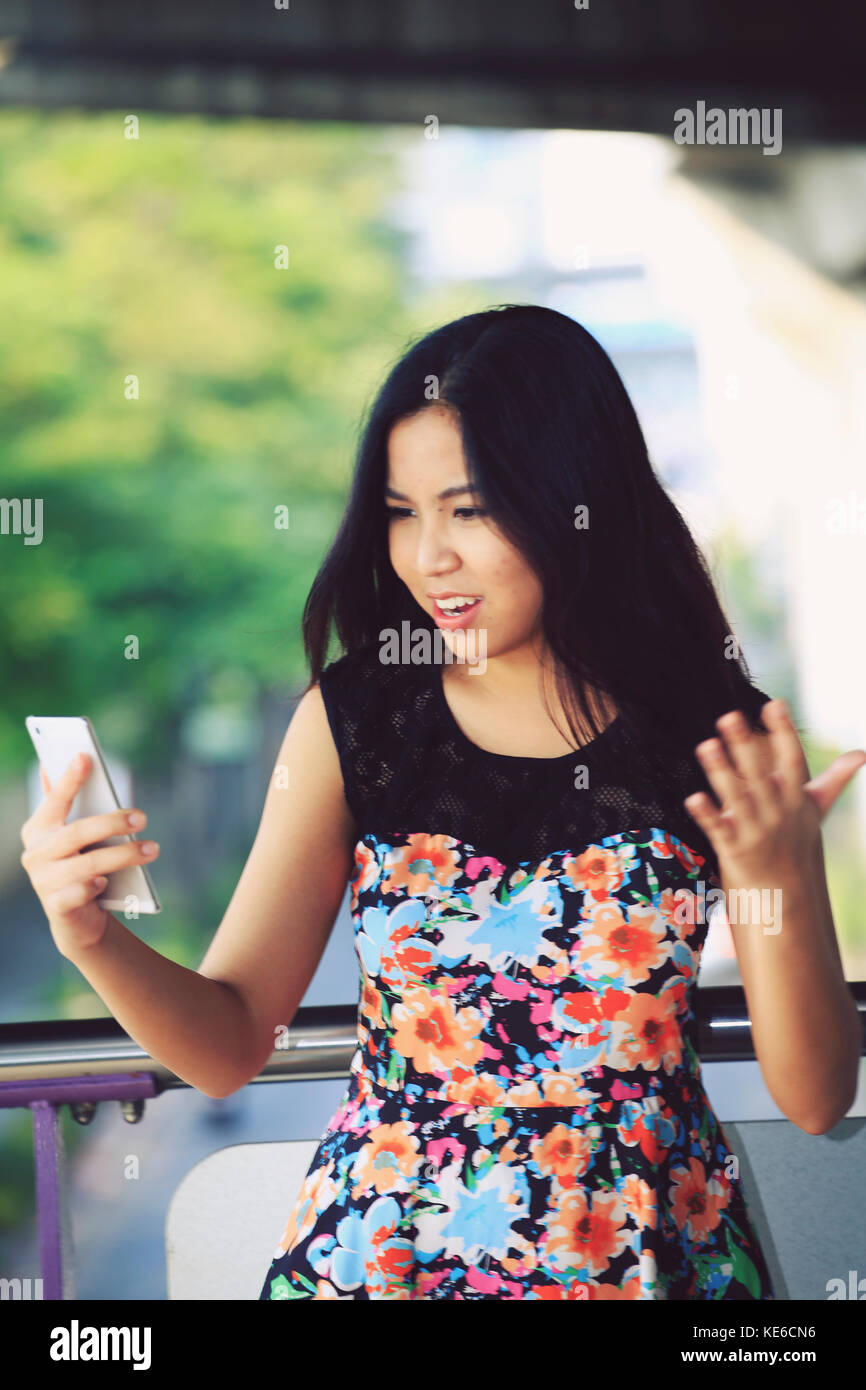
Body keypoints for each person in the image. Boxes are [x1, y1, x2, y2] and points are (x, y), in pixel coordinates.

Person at [20, 305, 863, 1301]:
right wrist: (88, 937)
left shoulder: (710, 730)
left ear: (571, 497)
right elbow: (228, 1039)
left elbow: (812, 1098)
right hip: (383, 1263)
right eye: (399, 510)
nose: (427, 557)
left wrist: (776, 873)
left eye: (468, 510)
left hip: (644, 1264)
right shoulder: (354, 719)